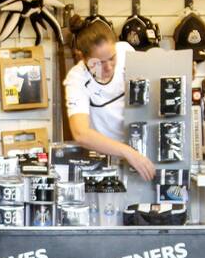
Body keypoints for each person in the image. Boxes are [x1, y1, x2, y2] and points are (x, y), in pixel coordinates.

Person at [63, 14, 157, 180]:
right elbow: (81, 133)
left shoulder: (125, 50)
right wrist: (127, 152)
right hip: (103, 163)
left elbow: (153, 82)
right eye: (98, 62)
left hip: (140, 152)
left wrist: (182, 72)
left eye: (112, 58)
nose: (108, 67)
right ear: (82, 57)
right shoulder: (77, 79)